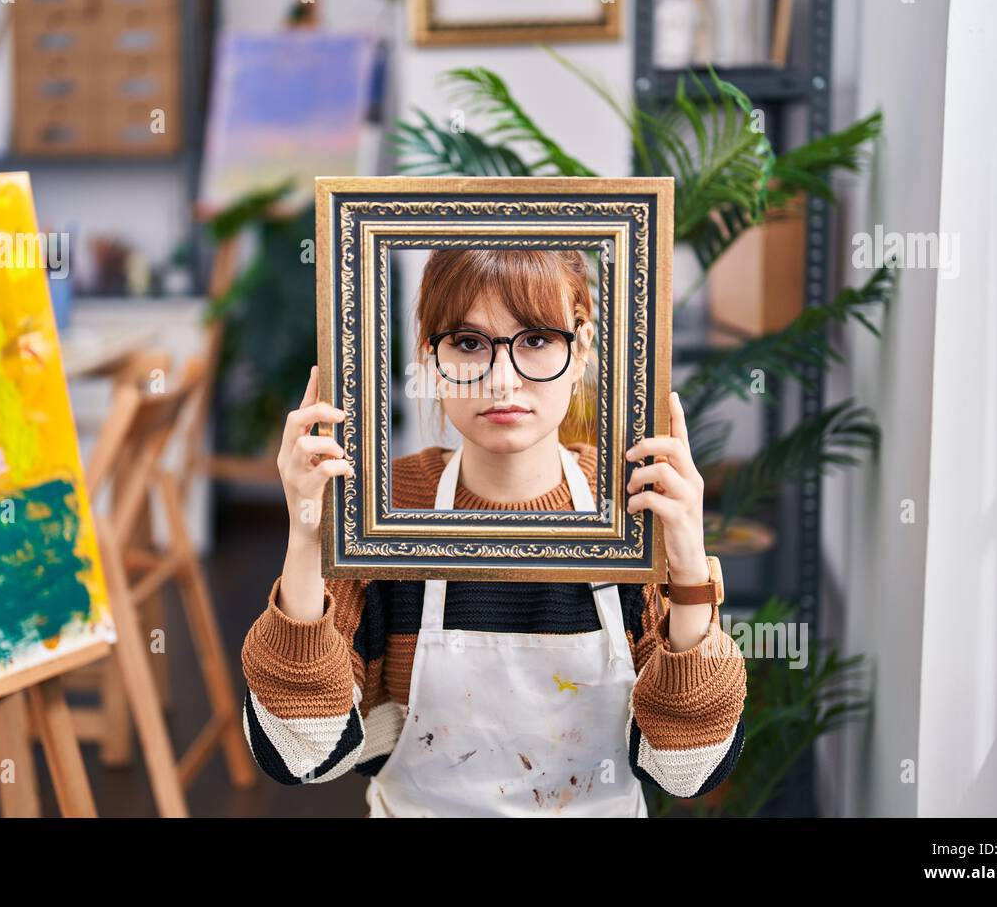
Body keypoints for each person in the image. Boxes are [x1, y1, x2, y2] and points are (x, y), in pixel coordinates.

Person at [240, 248, 747, 817]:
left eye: (535, 339)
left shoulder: (630, 512)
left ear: (579, 350)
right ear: (431, 358)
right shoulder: (381, 509)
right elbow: (299, 752)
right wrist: (307, 536)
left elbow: (687, 768)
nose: (502, 381)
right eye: (468, 343)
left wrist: (688, 570)